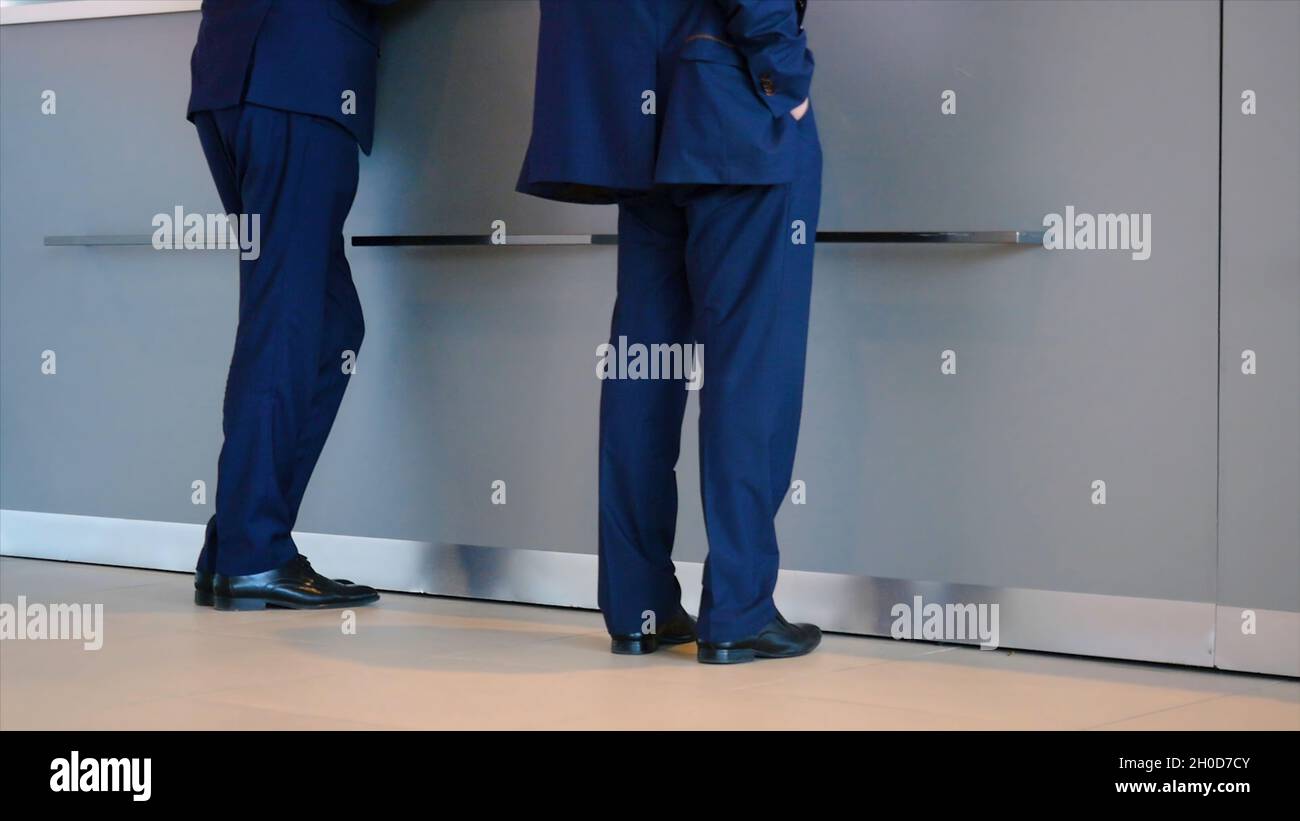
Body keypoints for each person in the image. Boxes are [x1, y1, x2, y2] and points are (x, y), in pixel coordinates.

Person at [517, 0, 824, 663]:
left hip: (640, 117)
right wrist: (785, 73)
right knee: (751, 365)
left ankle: (639, 604)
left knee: (642, 369)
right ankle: (739, 609)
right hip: (735, 103)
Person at [186, 0, 397, 610]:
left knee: (328, 326)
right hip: (297, 81)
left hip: (234, 80)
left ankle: (234, 547)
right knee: (288, 319)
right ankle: (254, 554)